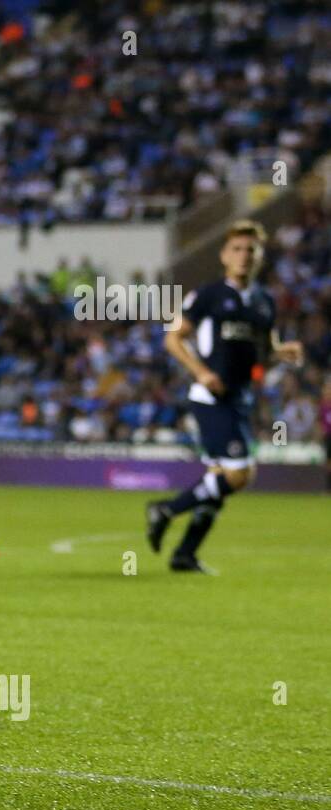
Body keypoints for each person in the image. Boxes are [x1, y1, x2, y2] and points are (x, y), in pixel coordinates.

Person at [146, 220, 305, 572]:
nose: (244, 256)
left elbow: (261, 351)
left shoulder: (264, 302)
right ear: (223, 255)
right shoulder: (209, 295)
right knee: (239, 473)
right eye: (236, 249)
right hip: (209, 398)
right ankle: (166, 510)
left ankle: (185, 554)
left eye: (251, 250)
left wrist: (281, 352)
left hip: (241, 398)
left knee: (220, 479)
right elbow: (173, 338)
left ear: (261, 256)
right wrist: (201, 371)